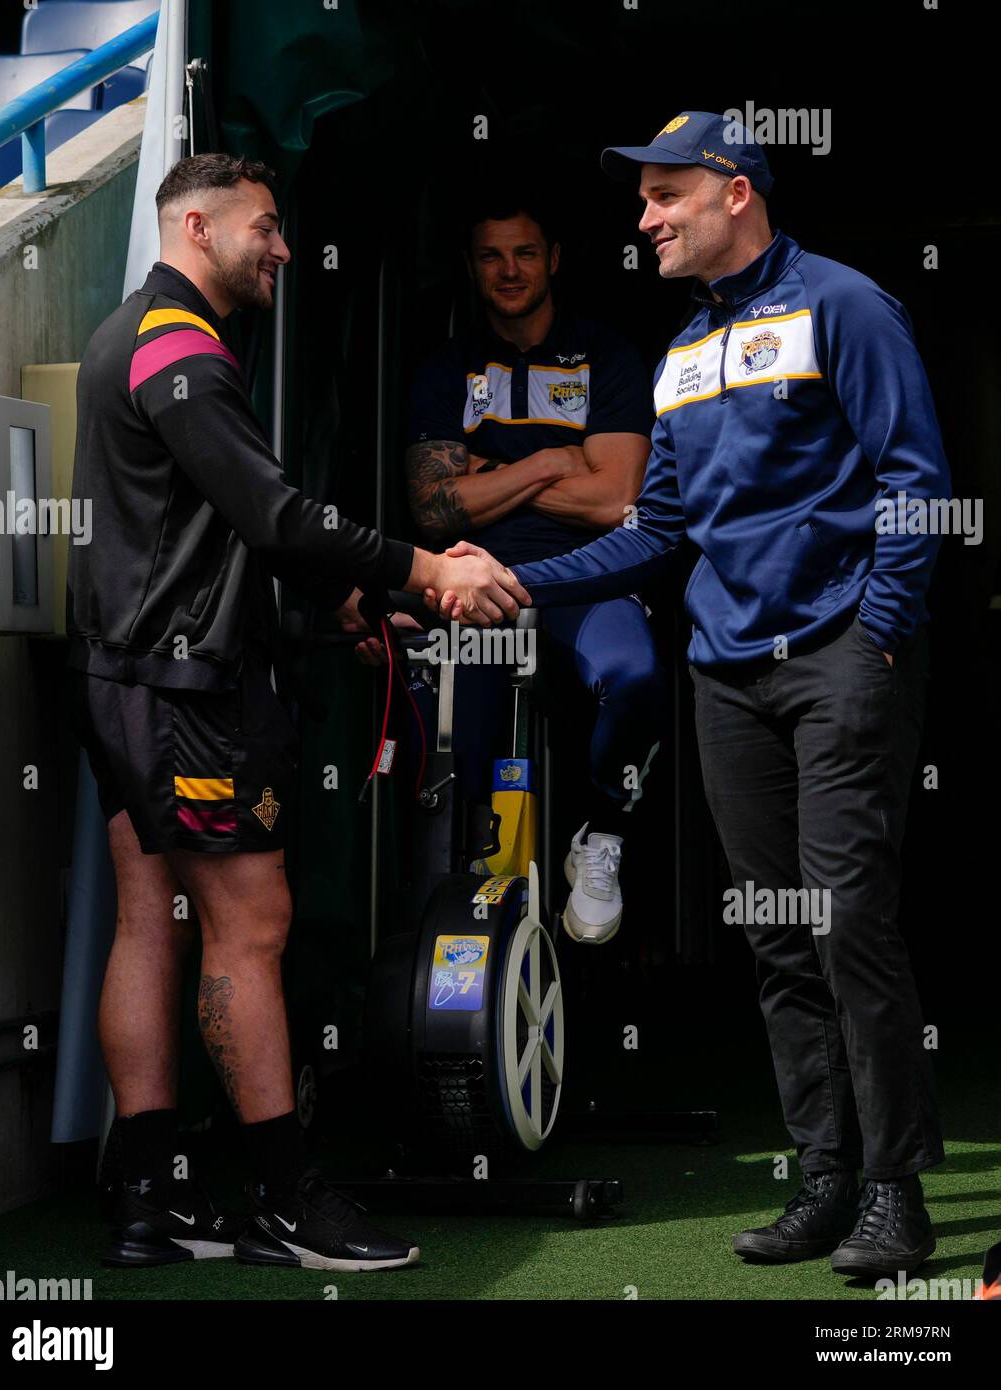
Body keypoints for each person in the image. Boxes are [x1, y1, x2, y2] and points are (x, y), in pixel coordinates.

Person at [433, 112, 949, 1279]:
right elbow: (656, 532)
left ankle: (893, 1193)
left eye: (664, 196)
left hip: (839, 664)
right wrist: (517, 576)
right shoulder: (679, 353)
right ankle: (822, 1180)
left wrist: (877, 633)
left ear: (734, 192)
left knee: (848, 923)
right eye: (644, 199)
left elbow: (918, 481)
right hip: (725, 675)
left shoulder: (845, 305)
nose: (645, 218)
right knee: (777, 937)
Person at [66, 152, 528, 1272]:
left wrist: (351, 602)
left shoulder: (144, 336)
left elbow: (216, 528)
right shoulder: (178, 348)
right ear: (193, 224)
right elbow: (271, 516)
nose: (280, 249)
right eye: (264, 229)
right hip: (186, 694)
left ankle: (146, 1204)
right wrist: (425, 570)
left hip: (126, 676)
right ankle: (286, 1199)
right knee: (250, 924)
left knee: (149, 919)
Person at [402, 191, 663, 943]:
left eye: (523, 253)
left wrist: (494, 476)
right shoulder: (448, 365)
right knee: (464, 751)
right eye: (490, 255)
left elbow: (618, 500)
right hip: (475, 575)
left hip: (591, 573)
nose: (507, 270)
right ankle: (469, 915)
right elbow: (433, 509)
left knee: (636, 678)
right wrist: (555, 460)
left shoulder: (605, 354)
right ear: (471, 267)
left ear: (551, 259)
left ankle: (604, 835)